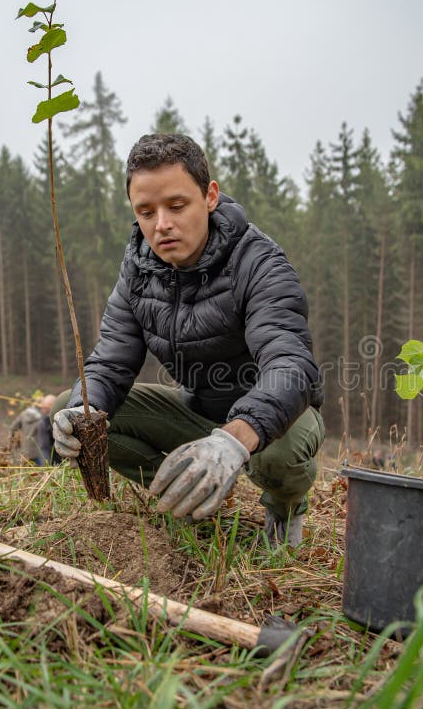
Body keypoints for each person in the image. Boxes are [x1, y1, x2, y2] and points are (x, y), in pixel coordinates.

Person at [51, 133, 324, 545]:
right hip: (197, 411)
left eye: (176, 206)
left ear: (210, 196)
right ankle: (186, 499)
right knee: (83, 413)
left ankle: (284, 513)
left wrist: (234, 441)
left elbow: (292, 367)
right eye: (146, 212)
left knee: (278, 456)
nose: (161, 225)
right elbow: (109, 364)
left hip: (279, 419)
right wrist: (78, 410)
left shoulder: (260, 263)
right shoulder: (139, 270)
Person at [10, 400, 43, 465]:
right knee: (40, 473)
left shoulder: (23, 415)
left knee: (28, 473)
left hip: (26, 450)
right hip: (39, 451)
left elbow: (13, 428)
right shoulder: (42, 417)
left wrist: (13, 440)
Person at [36, 394, 60, 465]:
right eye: (45, 406)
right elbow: (44, 447)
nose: (46, 409)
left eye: (49, 405)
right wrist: (46, 466)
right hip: (53, 461)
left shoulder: (65, 417)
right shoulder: (43, 423)